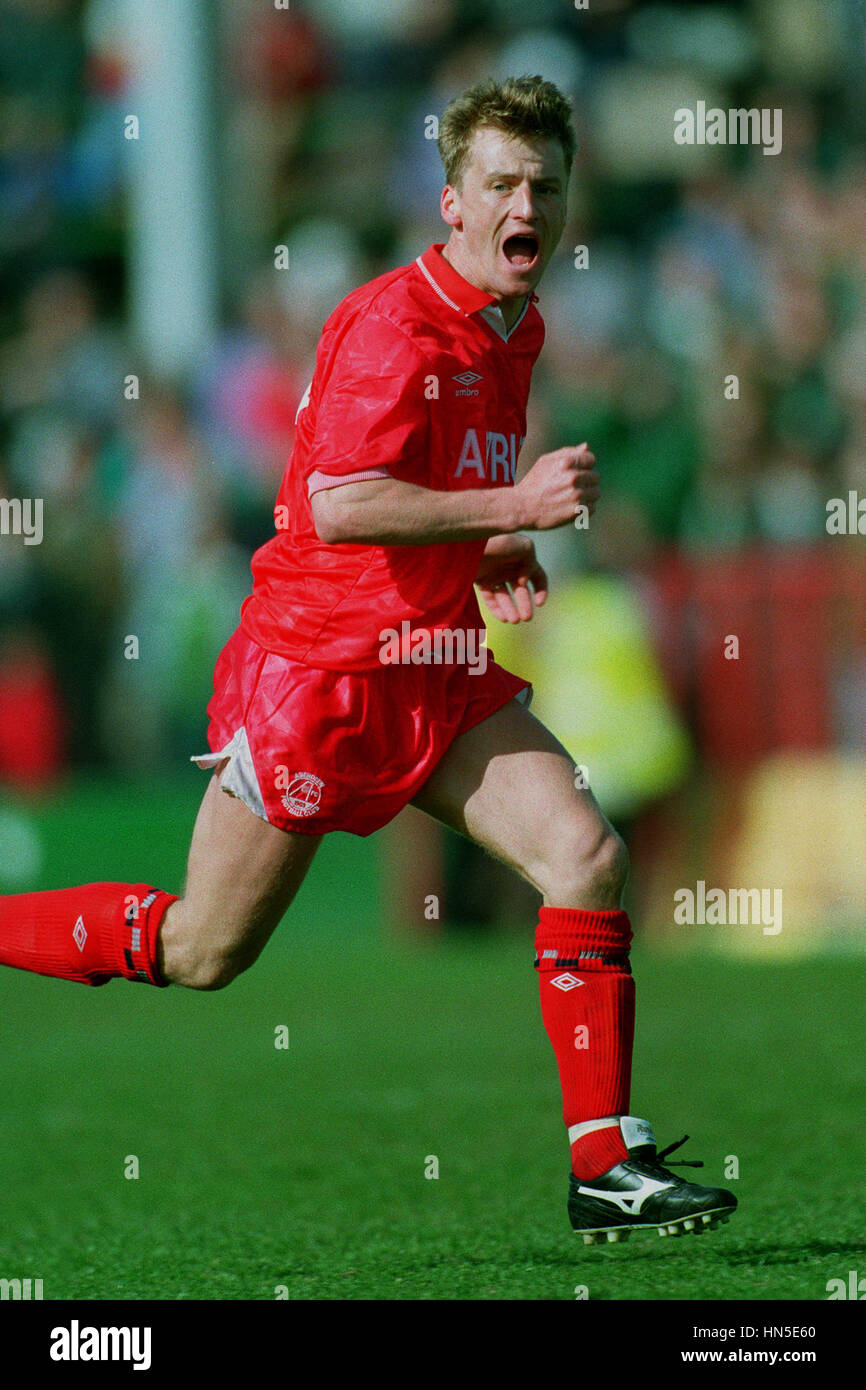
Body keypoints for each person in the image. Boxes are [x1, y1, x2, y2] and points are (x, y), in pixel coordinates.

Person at [0, 76, 736, 1244]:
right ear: (450, 201)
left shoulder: (516, 321)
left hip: (435, 664)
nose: (523, 202)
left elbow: (425, 492)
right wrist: (516, 501)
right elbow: (339, 506)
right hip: (322, 676)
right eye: (498, 182)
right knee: (202, 950)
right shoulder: (392, 324)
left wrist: (491, 548)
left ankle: (604, 1161)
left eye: (543, 184)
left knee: (584, 856)